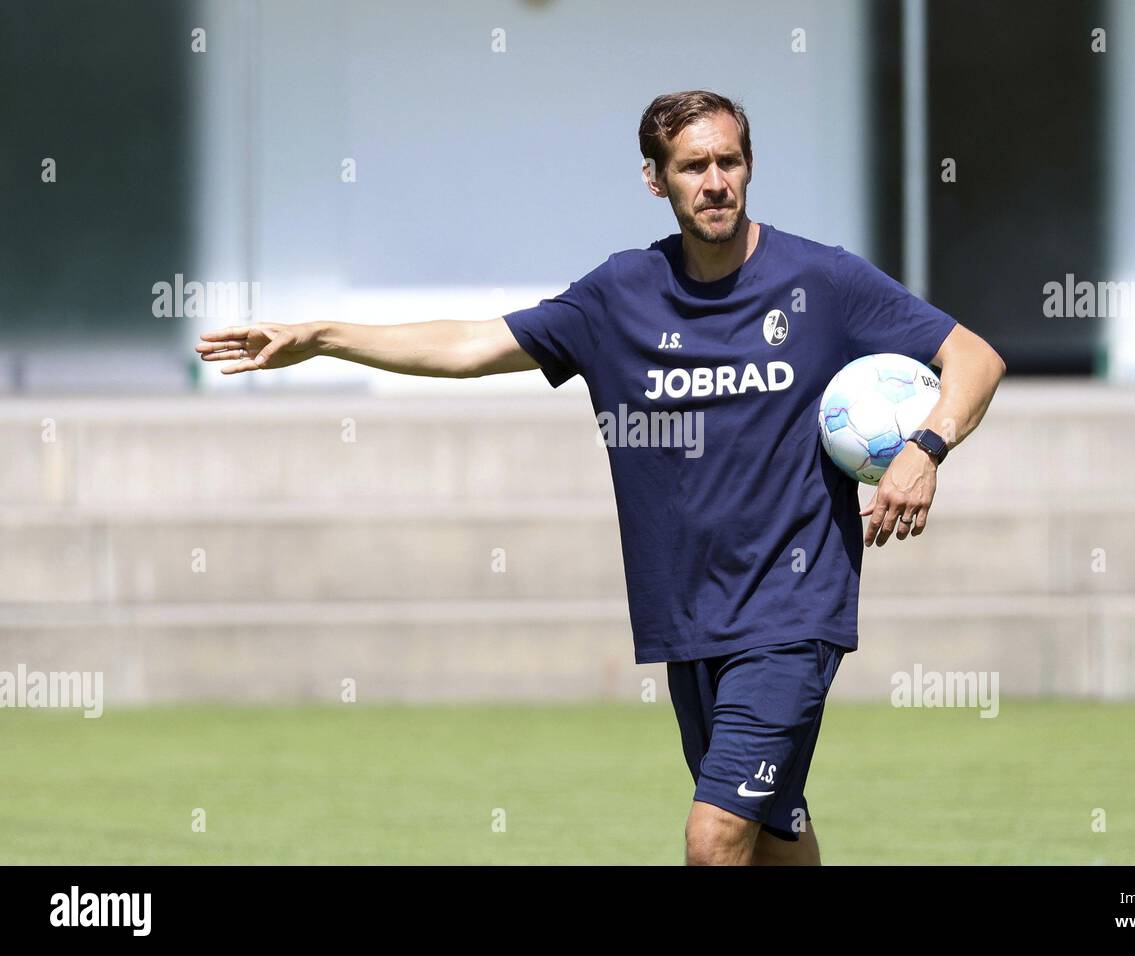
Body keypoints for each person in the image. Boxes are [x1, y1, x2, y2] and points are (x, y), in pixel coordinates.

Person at [195, 89, 1006, 866]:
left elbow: (973, 356)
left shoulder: (822, 281)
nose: (715, 182)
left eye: (729, 161)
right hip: (687, 615)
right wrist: (327, 336)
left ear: (750, 166)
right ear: (656, 180)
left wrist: (924, 448)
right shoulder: (619, 295)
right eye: (693, 167)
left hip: (792, 612)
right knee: (775, 832)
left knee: (713, 837)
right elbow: (473, 346)